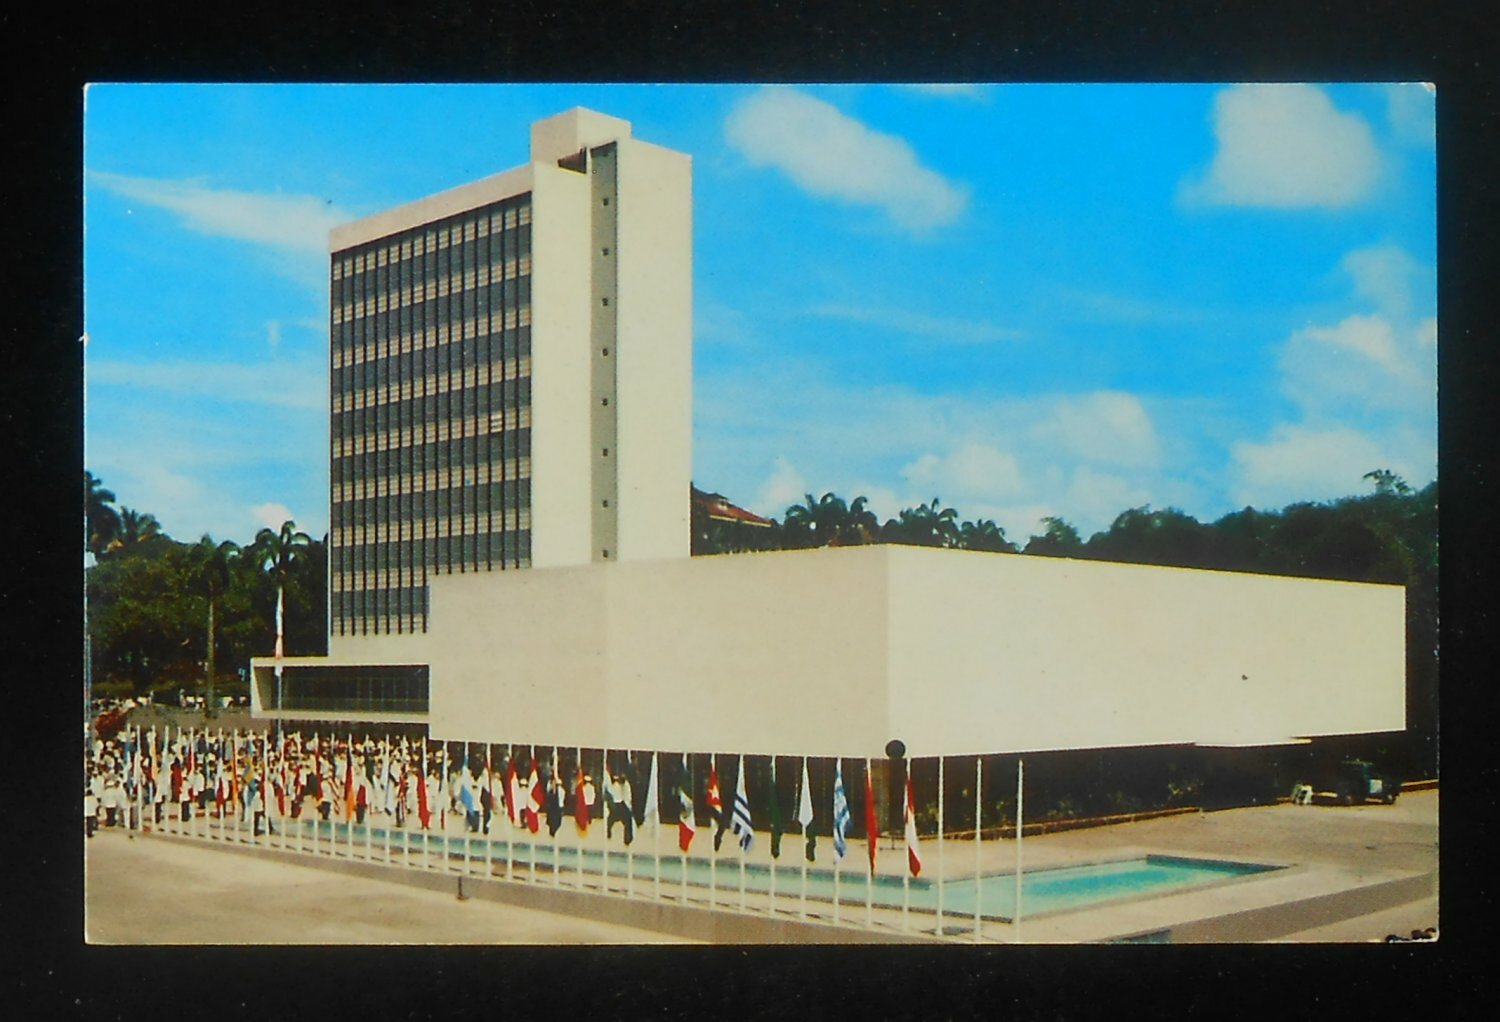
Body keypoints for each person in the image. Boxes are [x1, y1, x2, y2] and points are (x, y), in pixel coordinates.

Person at [607, 770, 634, 845]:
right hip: (618, 804)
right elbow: (614, 795)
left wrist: (629, 807)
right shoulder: (616, 785)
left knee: (628, 822)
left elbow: (628, 797)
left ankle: (628, 839)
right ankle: (608, 833)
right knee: (610, 820)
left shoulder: (626, 785)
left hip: (623, 805)